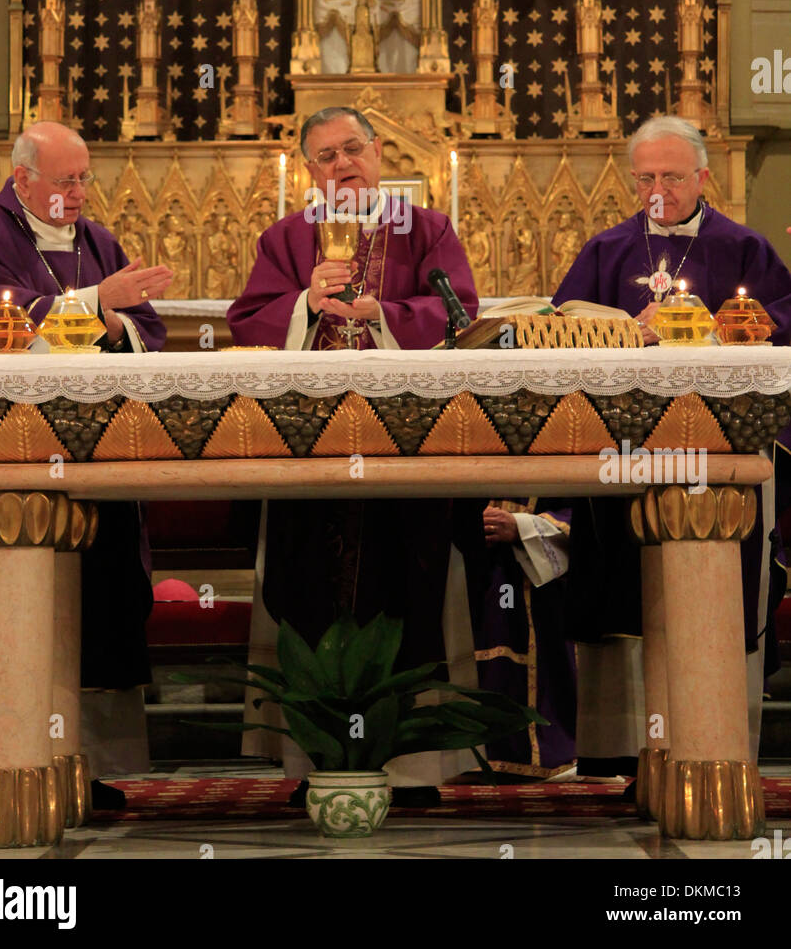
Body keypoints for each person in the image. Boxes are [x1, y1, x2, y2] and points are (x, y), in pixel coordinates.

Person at [228, 104, 482, 806]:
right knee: (309, 584)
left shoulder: (427, 230)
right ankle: (314, 755)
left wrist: (389, 317)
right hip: (309, 444)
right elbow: (249, 319)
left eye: (353, 150)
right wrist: (305, 305)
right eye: (326, 156)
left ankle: (412, 766)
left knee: (410, 585)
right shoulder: (285, 238)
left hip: (405, 444)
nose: (342, 165)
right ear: (309, 170)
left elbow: (460, 312)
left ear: (378, 155)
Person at [0, 122, 173, 806]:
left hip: (100, 458)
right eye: (66, 180)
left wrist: (118, 320)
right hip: (20, 461)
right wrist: (99, 304)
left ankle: (86, 767)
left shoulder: (98, 241)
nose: (78, 192)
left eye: (85, 178)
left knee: (100, 609)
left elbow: (146, 333)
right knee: (22, 612)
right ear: (22, 179)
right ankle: (9, 758)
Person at [553, 114, 791, 775]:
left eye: (673, 176)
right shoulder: (606, 250)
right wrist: (628, 329)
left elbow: (781, 324)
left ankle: (712, 746)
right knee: (619, 586)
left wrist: (715, 327)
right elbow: (562, 331)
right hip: (625, 451)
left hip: (719, 451)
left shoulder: (744, 248)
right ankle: (620, 749)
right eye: (647, 177)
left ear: (703, 177)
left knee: (718, 583)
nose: (659, 190)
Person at [475, 499, 577, 778]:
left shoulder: (563, 457)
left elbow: (587, 511)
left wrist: (522, 526)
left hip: (541, 587)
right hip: (473, 571)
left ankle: (541, 749)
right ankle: (470, 753)